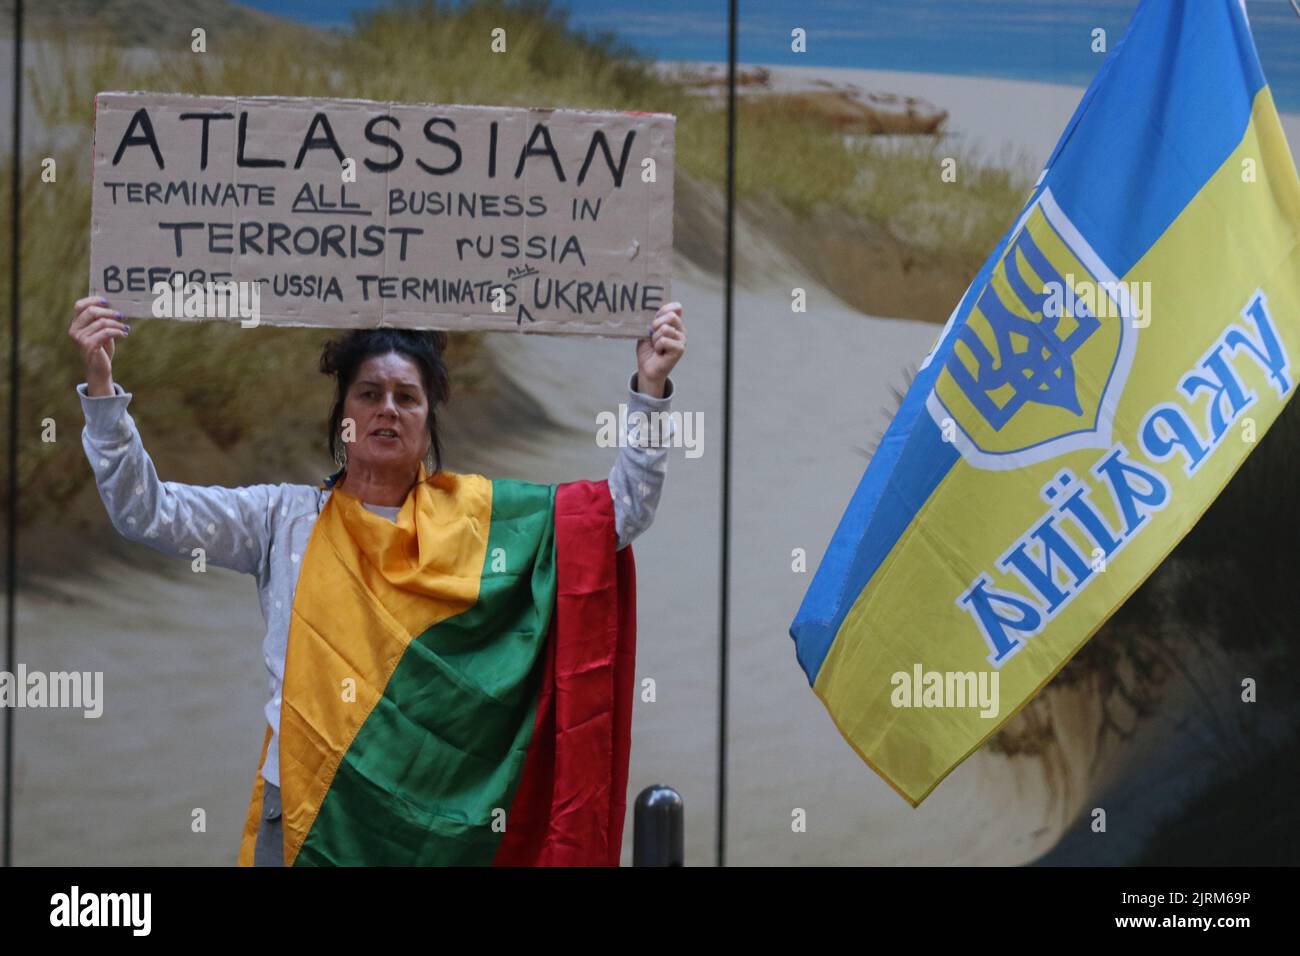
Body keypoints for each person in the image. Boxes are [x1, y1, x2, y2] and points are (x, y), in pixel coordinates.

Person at [69, 295, 686, 865]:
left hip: (434, 831)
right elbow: (146, 510)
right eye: (369, 394)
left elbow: (617, 514)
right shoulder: (282, 519)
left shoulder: (479, 519)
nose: (387, 408)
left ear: (428, 420)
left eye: (406, 396)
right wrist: (101, 388)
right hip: (311, 817)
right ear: (342, 415)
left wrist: (650, 388)